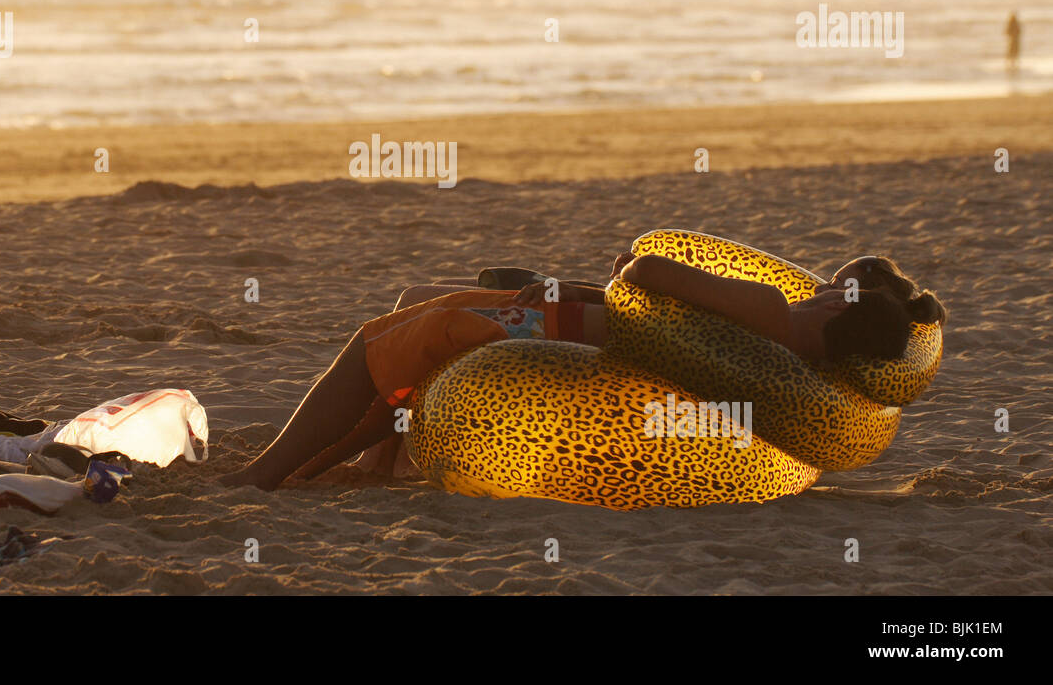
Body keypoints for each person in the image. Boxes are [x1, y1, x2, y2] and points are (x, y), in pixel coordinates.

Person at [220, 248, 946, 491]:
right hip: (586, 344)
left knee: (380, 341)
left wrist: (609, 279)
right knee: (414, 319)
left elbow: (646, 272)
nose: (813, 283)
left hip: (561, 336)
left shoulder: (770, 313)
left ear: (841, 300)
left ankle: (266, 471)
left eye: (829, 283)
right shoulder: (805, 372)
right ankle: (347, 466)